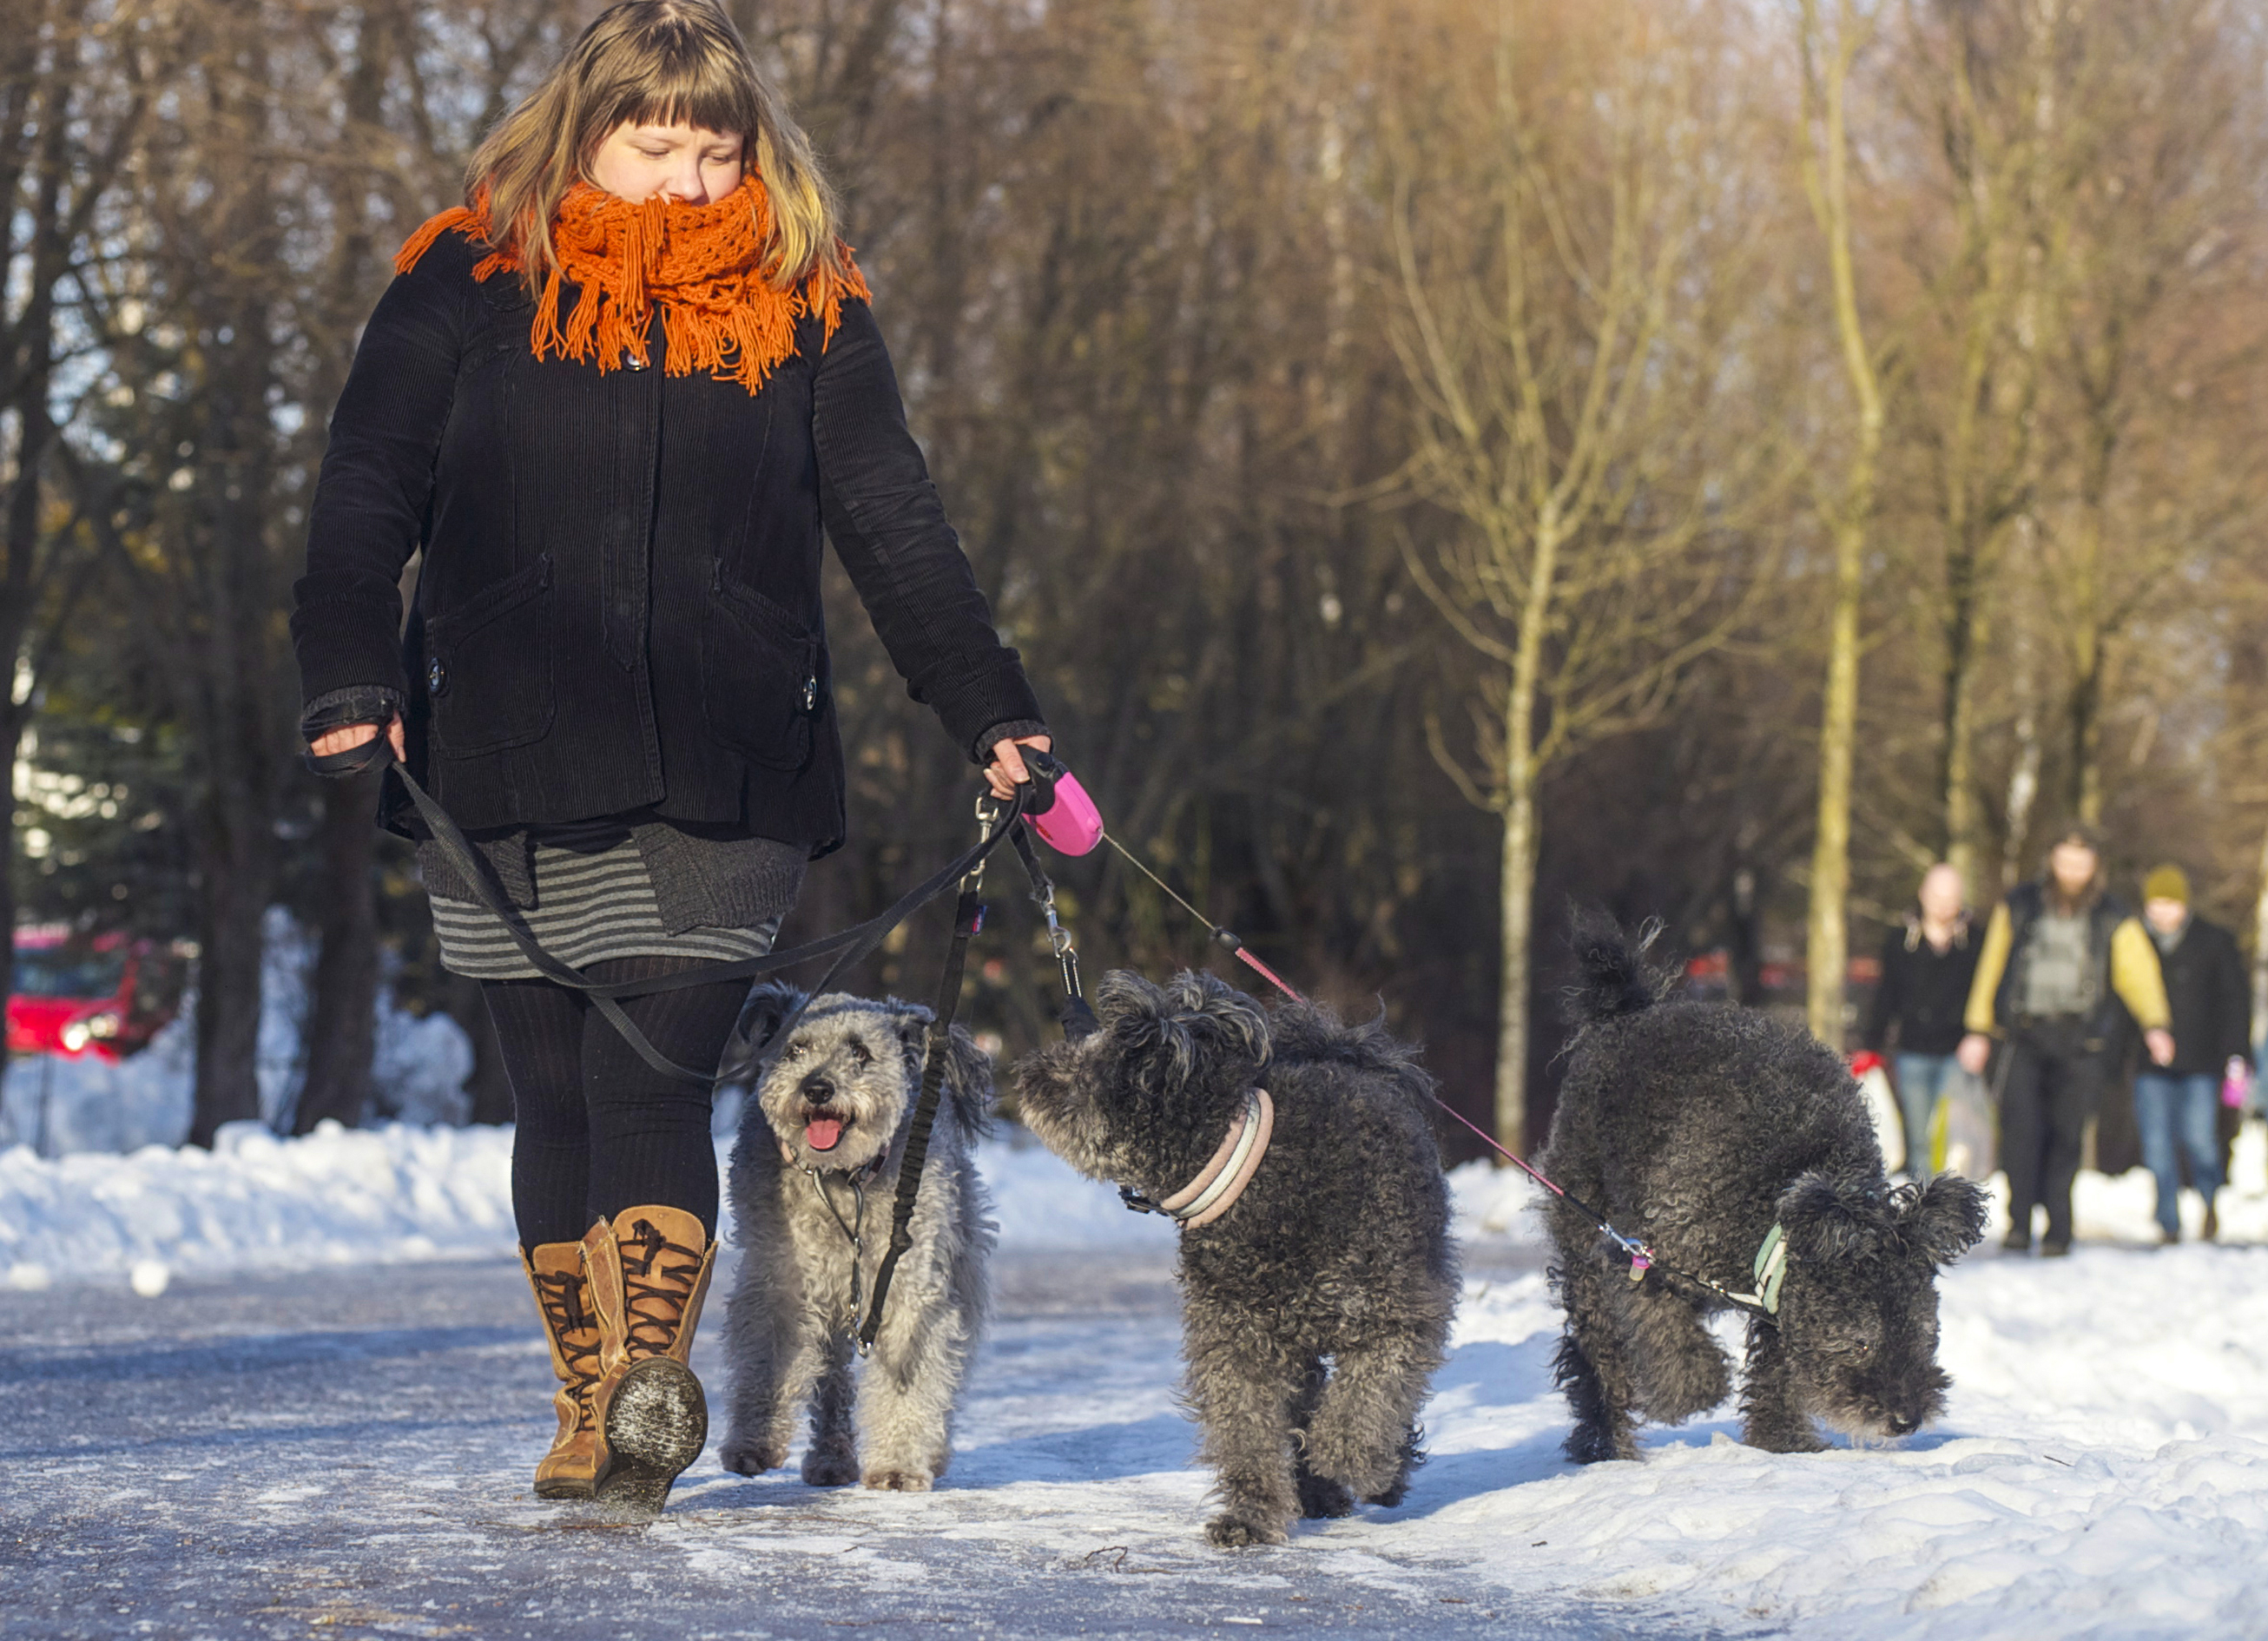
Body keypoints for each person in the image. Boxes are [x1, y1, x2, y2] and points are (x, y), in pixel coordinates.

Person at [290, 1, 1050, 1512]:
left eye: (719, 148)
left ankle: (651, 1396)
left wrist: (990, 706)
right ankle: (587, 1405)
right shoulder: (469, 276)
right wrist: (347, 665)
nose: (692, 178)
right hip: (501, 744)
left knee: (656, 1082)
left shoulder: (804, 301)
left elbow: (890, 518)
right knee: (557, 1092)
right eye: (657, 143)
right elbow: (368, 480)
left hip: (729, 757)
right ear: (586, 130)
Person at [1958, 825, 2172, 1257]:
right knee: (2019, 1132)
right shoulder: (2018, 906)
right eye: (2065, 860)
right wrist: (1978, 1028)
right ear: (2051, 861)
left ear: (2095, 866)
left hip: (2083, 1041)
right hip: (2023, 1035)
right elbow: (1992, 967)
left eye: (2082, 862)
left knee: (2067, 1136)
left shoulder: (2114, 915)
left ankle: (2059, 1228)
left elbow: (2138, 974)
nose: (2073, 871)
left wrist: (2156, 1023)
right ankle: (2020, 1224)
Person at [2133, 866, 2251, 1243]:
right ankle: (2169, 1221)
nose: (2163, 912)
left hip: (2202, 1063)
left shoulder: (2214, 941)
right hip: (2149, 1064)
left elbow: (2235, 1002)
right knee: (2156, 1146)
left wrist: (2236, 1053)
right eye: (2156, 903)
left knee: (2200, 1140)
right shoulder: (2134, 943)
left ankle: (2210, 1198)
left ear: (2184, 904)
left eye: (2170, 903)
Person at [1860, 862, 1980, 1170]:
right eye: (1938, 896)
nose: (1944, 905)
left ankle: (1954, 1203)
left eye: (1951, 897)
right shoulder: (1900, 942)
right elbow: (1886, 994)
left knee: (1954, 1138)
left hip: (1958, 1053)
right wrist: (1870, 1045)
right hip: (1912, 1052)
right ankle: (1923, 1207)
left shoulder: (1976, 942)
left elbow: (1986, 994)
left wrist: (1981, 1035)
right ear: (1923, 895)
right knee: (1919, 1138)